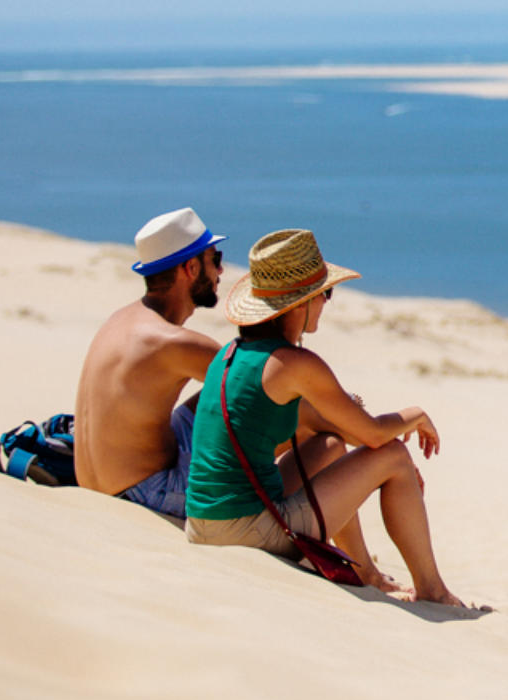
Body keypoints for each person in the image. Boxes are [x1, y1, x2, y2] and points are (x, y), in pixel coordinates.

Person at [184, 228, 474, 608]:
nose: (326, 302)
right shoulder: (295, 363)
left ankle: (366, 573)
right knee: (395, 459)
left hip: (202, 523)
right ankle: (433, 591)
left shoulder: (230, 355)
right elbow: (371, 434)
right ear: (300, 303)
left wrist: (369, 436)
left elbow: (328, 426)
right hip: (244, 532)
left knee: (329, 446)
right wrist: (414, 416)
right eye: (325, 293)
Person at [72, 207, 228, 517]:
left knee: (231, 389)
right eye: (216, 259)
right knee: (286, 416)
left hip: (95, 483)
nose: (221, 272)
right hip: (143, 493)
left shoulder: (122, 320)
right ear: (191, 268)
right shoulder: (173, 342)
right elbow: (264, 386)